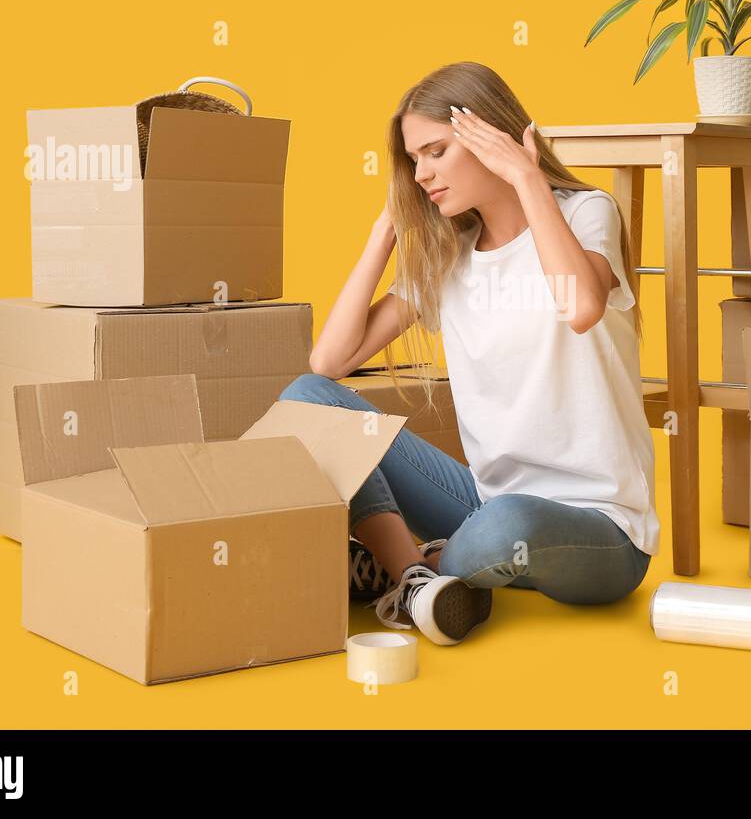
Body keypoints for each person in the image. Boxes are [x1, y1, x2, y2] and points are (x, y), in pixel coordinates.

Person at [281, 61, 656, 645]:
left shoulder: (585, 213)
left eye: (435, 152)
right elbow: (330, 363)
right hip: (482, 504)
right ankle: (416, 579)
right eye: (412, 161)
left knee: (508, 524)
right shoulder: (450, 254)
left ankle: (401, 562)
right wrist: (387, 229)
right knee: (309, 399)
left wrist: (528, 180)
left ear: (493, 139)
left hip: (600, 532)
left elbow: (580, 306)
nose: (422, 174)